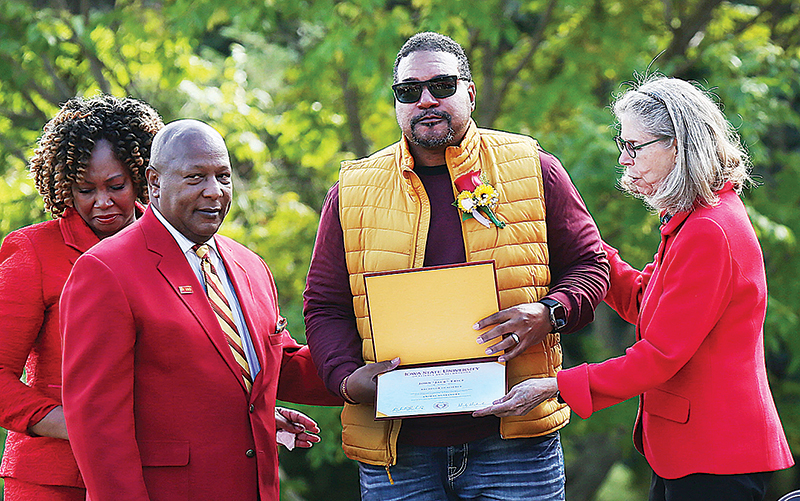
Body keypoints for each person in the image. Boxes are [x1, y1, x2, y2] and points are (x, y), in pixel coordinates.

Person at [303, 32, 610, 500]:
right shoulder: (352, 189)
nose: (426, 100)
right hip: (398, 450)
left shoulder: (533, 167)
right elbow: (324, 305)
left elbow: (591, 266)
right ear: (396, 103)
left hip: (514, 442)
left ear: (470, 92)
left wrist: (548, 313)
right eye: (409, 91)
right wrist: (345, 379)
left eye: (441, 86)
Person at [474, 76, 795, 500]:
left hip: (717, 455)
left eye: (634, 146)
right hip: (696, 454)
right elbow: (644, 301)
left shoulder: (709, 230)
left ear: (678, 144)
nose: (623, 159)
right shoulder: (697, 219)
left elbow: (660, 355)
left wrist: (556, 385)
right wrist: (578, 239)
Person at [60, 119, 341, 501]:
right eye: (195, 177)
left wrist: (367, 372)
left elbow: (278, 367)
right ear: (154, 182)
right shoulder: (105, 270)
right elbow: (98, 426)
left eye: (223, 176)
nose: (215, 191)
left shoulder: (249, 265)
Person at [0, 95, 162, 501]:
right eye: (84, 189)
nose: (102, 202)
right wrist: (71, 423)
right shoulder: (33, 252)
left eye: (116, 186)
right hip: (54, 478)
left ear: (143, 177)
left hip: (155, 470)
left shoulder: (171, 250)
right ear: (63, 185)